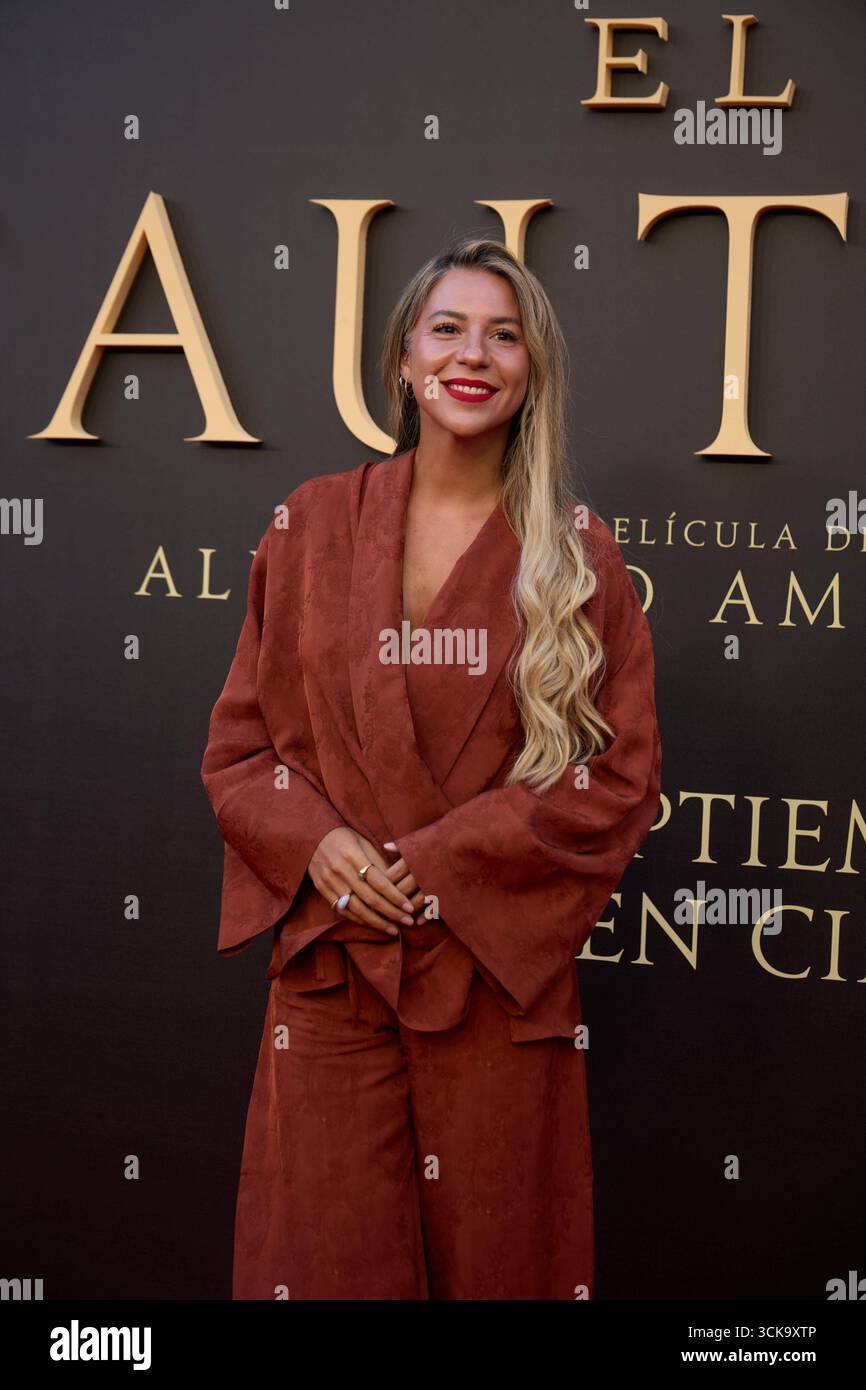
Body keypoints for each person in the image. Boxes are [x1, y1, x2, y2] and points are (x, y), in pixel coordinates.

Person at [200, 233, 662, 1300]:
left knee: (503, 1265)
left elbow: (614, 782)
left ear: (531, 369)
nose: (473, 354)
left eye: (504, 335)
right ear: (402, 359)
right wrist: (316, 846)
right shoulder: (307, 525)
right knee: (318, 1267)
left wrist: (429, 863)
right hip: (329, 983)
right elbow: (237, 753)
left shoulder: (579, 555)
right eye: (446, 328)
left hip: (494, 985)